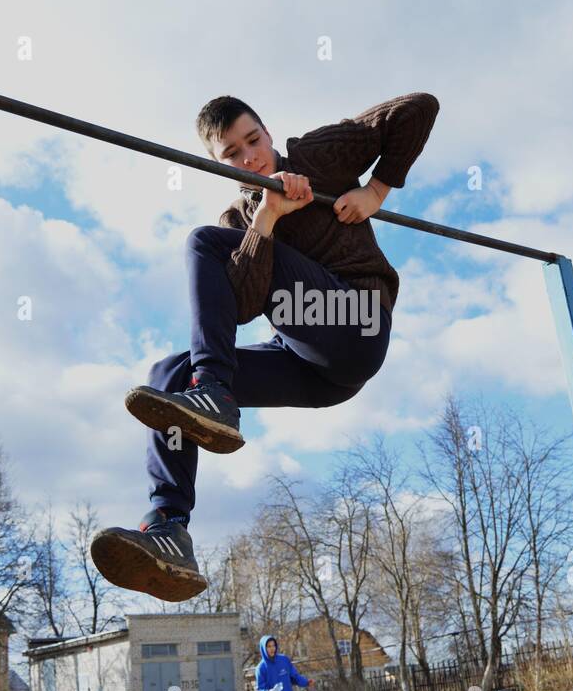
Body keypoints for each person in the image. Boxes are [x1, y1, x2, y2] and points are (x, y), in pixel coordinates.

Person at [91, 93, 439, 601]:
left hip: (358, 325)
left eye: (253, 141)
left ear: (269, 134)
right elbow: (244, 304)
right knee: (167, 376)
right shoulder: (238, 221)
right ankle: (168, 527)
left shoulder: (318, 155)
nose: (250, 157)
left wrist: (376, 191)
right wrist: (267, 218)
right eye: (232, 153)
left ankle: (213, 389)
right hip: (313, 371)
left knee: (201, 243)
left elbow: (417, 109)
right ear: (218, 163)